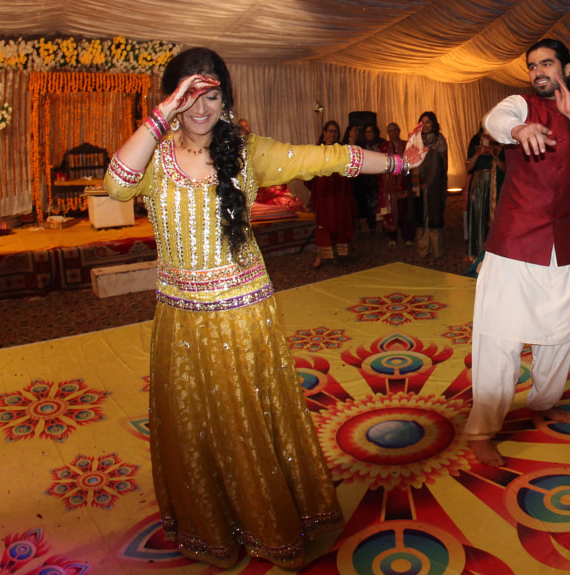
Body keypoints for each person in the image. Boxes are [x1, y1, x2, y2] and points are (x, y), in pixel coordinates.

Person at [102, 47, 425, 569]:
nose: (201, 107)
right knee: (193, 425)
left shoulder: (247, 151)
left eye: (212, 95)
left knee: (248, 424)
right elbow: (114, 183)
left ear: (227, 98)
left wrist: (399, 161)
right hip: (180, 319)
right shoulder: (154, 158)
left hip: (243, 316)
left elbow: (325, 157)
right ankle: (214, 528)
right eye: (189, 95)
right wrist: (162, 114)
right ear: (170, 99)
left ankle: (268, 525)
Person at [464, 38, 570, 468]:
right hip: (515, 240)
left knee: (559, 332)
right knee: (499, 336)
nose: (538, 71)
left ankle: (542, 403)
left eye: (547, 63)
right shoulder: (518, 104)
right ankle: (482, 430)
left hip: (564, 243)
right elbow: (494, 120)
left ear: (567, 70)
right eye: (533, 65)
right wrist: (518, 130)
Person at [306, 121, 357, 267]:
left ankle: (342, 254)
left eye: (335, 131)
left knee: (341, 220)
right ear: (324, 132)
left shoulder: (340, 150)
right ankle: (322, 255)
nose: (332, 134)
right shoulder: (317, 151)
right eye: (330, 131)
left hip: (340, 191)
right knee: (324, 222)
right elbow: (309, 170)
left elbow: (350, 166)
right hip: (323, 192)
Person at [465, 125, 506, 259]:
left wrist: (493, 155)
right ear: (480, 136)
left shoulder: (499, 149)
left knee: (492, 217)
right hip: (478, 186)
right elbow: (469, 167)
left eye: (489, 136)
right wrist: (478, 154)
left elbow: (504, 168)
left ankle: (492, 253)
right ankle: (476, 251)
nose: (486, 139)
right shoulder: (474, 148)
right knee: (477, 215)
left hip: (494, 185)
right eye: (484, 136)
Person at [415, 111, 449, 258]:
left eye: (428, 122)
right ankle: (423, 248)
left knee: (434, 213)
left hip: (435, 181)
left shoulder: (439, 140)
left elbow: (443, 161)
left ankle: (436, 249)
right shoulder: (415, 140)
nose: (425, 125)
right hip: (418, 182)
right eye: (422, 122)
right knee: (420, 213)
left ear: (434, 123)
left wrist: (430, 157)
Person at [379, 122, 415, 246]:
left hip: (403, 182)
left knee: (404, 211)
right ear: (388, 133)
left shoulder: (405, 145)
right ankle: (392, 237)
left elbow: (410, 162)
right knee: (390, 212)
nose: (393, 133)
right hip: (389, 185)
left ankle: (407, 237)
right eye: (390, 131)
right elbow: (381, 163)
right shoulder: (384, 147)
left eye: (395, 130)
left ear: (399, 131)